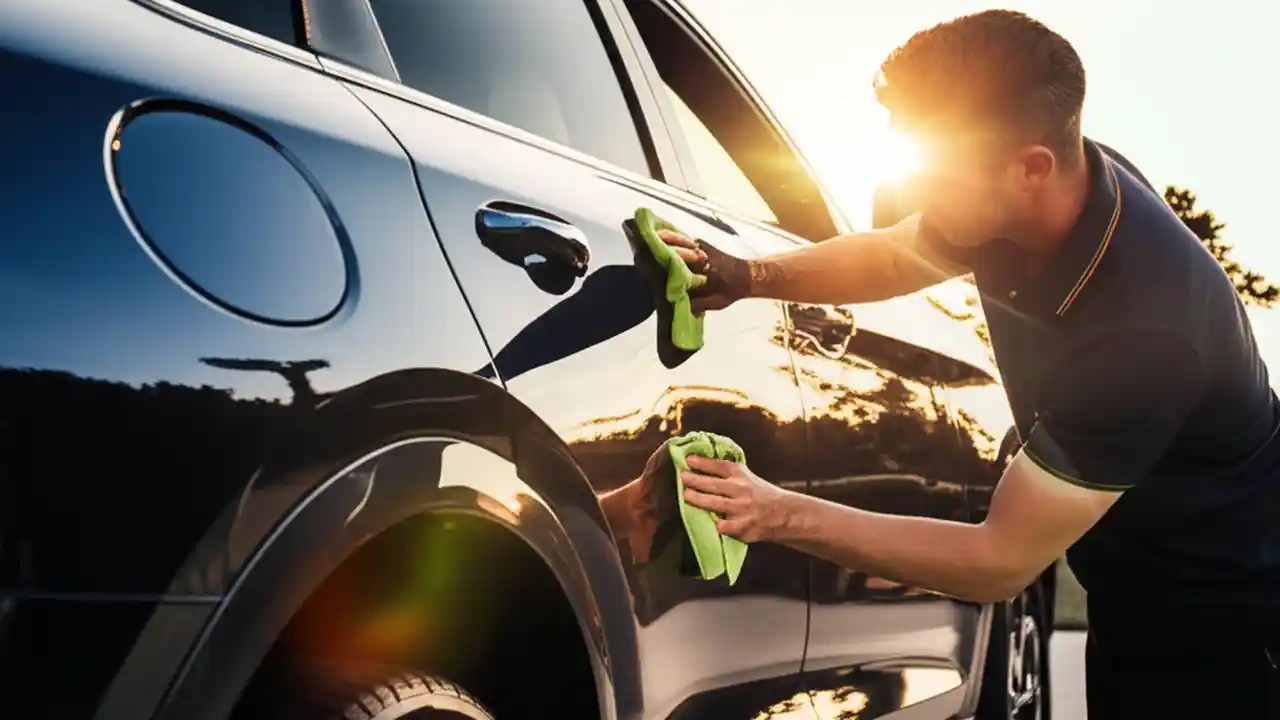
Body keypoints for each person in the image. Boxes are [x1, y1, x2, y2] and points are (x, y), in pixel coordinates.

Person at [654, 10, 1279, 718]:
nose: (918, 193)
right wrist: (749, 276)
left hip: (1235, 627)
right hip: (1134, 595)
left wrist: (775, 514)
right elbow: (896, 252)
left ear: (1031, 168)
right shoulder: (1028, 192)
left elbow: (999, 562)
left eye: (938, 174)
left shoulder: (1149, 331)